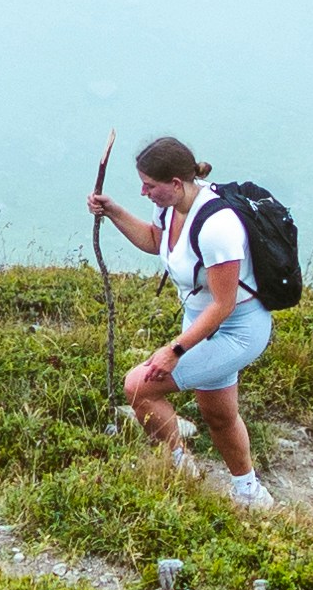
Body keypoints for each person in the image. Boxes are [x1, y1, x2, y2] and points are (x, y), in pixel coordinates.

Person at [94, 137, 275, 489]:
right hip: (201, 322)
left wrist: (174, 350)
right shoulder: (169, 207)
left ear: (175, 184)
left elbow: (223, 305)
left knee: (138, 387)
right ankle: (248, 489)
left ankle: (181, 469)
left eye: (149, 186)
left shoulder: (218, 227)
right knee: (219, 415)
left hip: (237, 328)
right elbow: (154, 241)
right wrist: (113, 210)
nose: (144, 192)